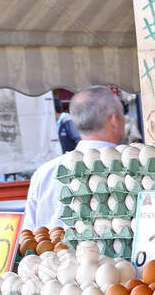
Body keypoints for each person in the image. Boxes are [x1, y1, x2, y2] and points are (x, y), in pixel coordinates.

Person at [23, 86, 125, 229]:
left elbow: (29, 233)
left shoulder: (44, 173)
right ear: (114, 120)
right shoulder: (127, 169)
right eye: (122, 114)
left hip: (53, 251)